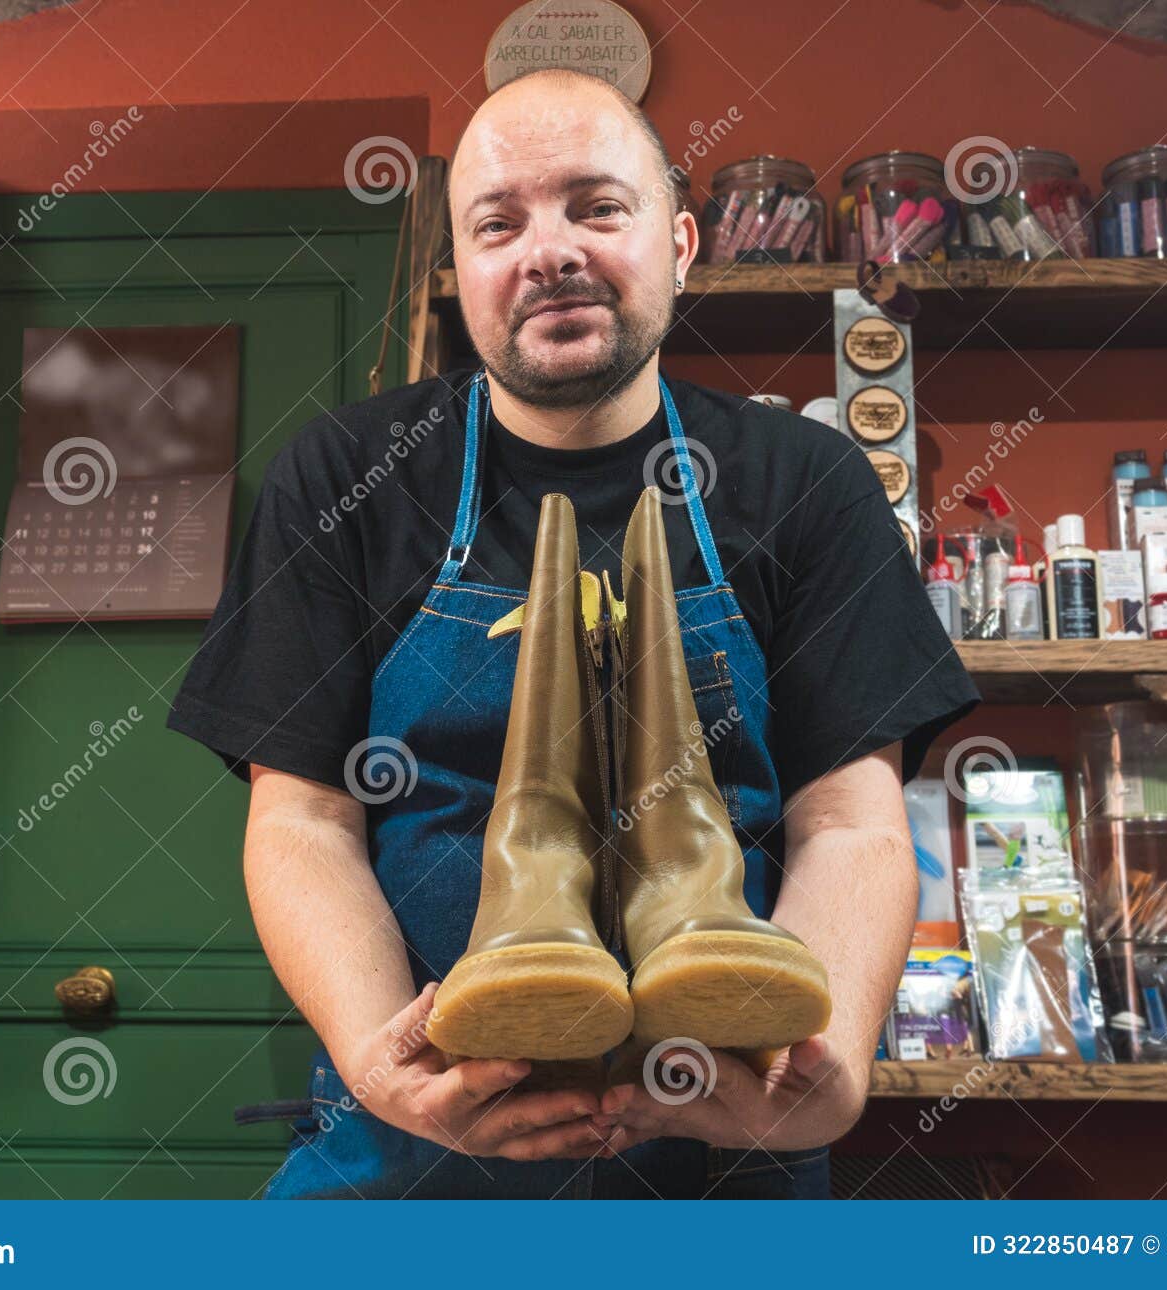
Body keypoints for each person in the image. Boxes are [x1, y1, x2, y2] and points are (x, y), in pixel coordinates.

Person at [168, 67, 980, 1199]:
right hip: (421, 1134)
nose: (546, 251)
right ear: (460, 271)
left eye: (597, 207)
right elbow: (301, 817)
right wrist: (375, 1059)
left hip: (727, 1142)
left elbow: (848, 821)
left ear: (683, 243)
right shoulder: (350, 476)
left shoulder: (801, 479)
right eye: (498, 223)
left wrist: (827, 1066)